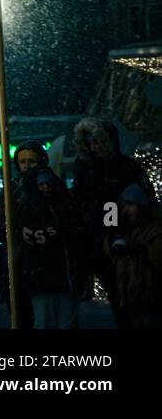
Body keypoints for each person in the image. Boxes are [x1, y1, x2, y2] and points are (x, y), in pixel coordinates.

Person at [72, 116, 153, 327]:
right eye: (89, 142)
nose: (93, 147)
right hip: (94, 237)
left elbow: (143, 199)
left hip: (122, 238)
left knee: (128, 295)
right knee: (115, 293)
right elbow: (81, 198)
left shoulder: (125, 167)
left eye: (96, 141)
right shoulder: (84, 167)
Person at [11, 166, 87, 329]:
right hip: (53, 274)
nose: (45, 188)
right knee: (56, 321)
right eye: (41, 185)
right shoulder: (62, 205)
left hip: (51, 275)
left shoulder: (30, 207)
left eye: (47, 184)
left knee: (49, 321)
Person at [0, 140, 47, 329]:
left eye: (31, 161)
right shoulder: (12, 188)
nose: (27, 166)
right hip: (18, 259)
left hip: (45, 260)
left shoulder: (49, 185)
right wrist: (16, 232)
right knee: (21, 314)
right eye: (23, 162)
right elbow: (0, 224)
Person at [105, 183, 162, 329]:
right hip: (131, 299)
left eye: (131, 205)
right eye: (125, 206)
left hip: (151, 297)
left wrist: (137, 251)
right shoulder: (129, 229)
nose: (126, 210)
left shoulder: (155, 228)